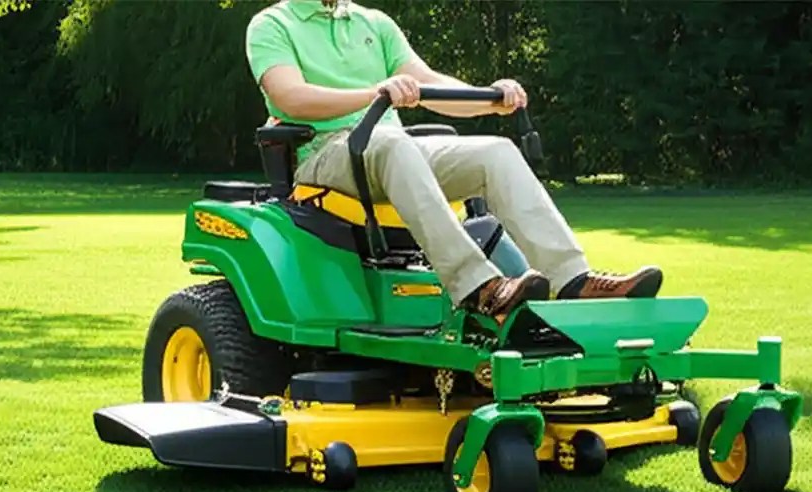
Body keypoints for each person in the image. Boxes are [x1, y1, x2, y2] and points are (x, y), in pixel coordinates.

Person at [245, 0, 663, 321]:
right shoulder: (271, 25)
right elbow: (290, 96)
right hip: (325, 153)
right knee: (395, 145)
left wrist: (489, 99)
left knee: (496, 153)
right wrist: (376, 92)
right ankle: (478, 286)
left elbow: (428, 84)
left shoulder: (374, 24)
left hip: (390, 144)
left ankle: (572, 279)